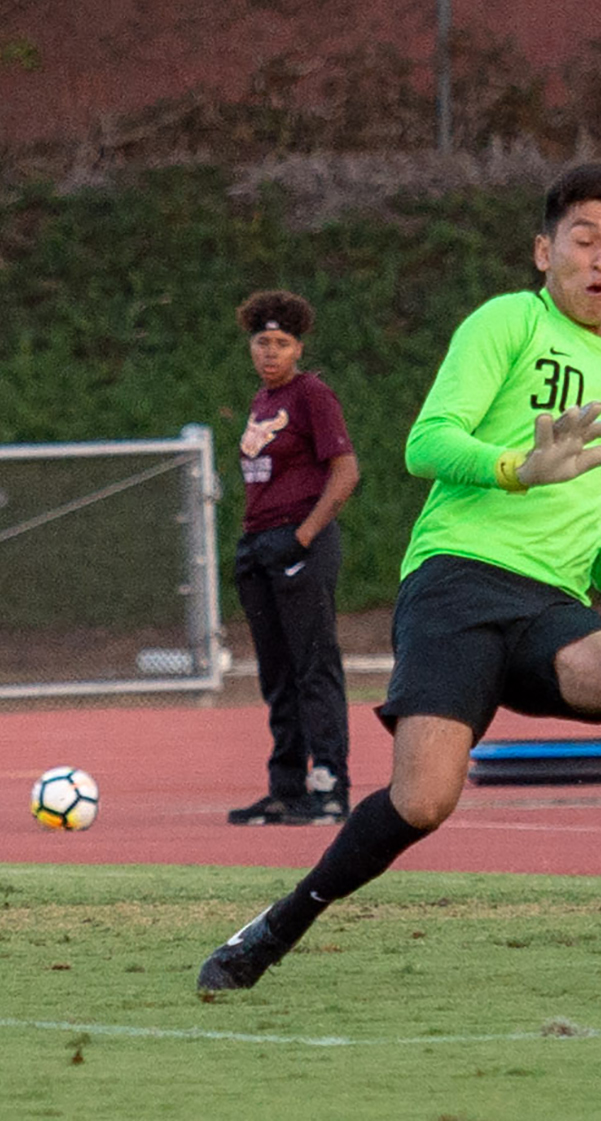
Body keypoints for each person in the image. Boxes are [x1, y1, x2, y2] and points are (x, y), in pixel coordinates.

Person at [196, 163, 601, 992]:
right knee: (422, 803)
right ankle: (272, 929)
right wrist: (520, 466)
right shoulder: (509, 320)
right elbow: (425, 444)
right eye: (583, 239)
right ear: (544, 251)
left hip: (552, 606)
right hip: (456, 584)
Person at [225, 290, 360, 826]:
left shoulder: (312, 395)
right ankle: (286, 786)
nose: (271, 353)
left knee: (313, 665)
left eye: (281, 343)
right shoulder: (262, 402)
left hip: (300, 542)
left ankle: (329, 785)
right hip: (259, 545)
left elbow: (346, 472)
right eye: (262, 342)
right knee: (276, 673)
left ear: (298, 347)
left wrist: (301, 537)